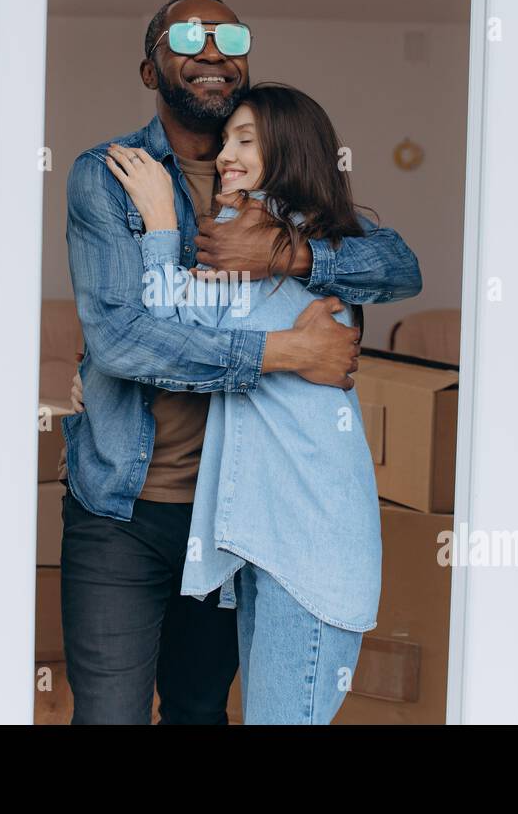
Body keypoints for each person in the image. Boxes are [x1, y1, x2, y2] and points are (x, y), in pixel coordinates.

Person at [60, 0, 421, 724]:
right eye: (189, 37)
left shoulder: (279, 191)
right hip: (121, 504)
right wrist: (284, 352)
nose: (213, 51)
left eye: (230, 37)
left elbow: (396, 266)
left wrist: (288, 253)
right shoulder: (112, 174)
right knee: (108, 716)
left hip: (232, 512)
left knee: (199, 710)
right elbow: (126, 340)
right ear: (150, 67)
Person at [104, 83, 383, 724]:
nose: (226, 153)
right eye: (227, 138)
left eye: (245, 140)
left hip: (304, 546)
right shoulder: (266, 239)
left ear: (289, 151)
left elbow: (171, 316)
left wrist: (161, 221)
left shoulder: (281, 247)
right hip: (275, 537)